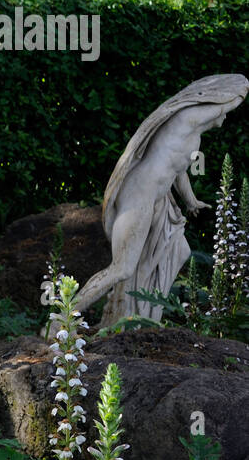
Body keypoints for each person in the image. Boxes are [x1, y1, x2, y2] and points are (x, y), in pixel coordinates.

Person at [78, 74, 249, 325]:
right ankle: (63, 318)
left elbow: (177, 172)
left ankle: (140, 316)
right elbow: (224, 104)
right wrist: (242, 89)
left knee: (180, 250)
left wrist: (191, 201)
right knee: (122, 269)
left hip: (157, 200)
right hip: (140, 196)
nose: (223, 118)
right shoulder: (187, 120)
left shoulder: (193, 137)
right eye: (220, 111)